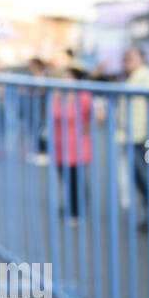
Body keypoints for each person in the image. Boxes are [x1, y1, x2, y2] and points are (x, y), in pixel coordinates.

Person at [116, 46, 149, 230]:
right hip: (134, 139)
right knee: (143, 179)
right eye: (124, 58)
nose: (125, 62)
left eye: (130, 57)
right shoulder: (131, 80)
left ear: (142, 59)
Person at [51, 61, 92, 222]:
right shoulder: (57, 96)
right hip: (60, 144)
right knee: (66, 178)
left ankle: (78, 209)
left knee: (76, 178)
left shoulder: (83, 96)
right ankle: (72, 205)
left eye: (67, 76)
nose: (63, 79)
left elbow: (90, 119)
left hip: (77, 145)